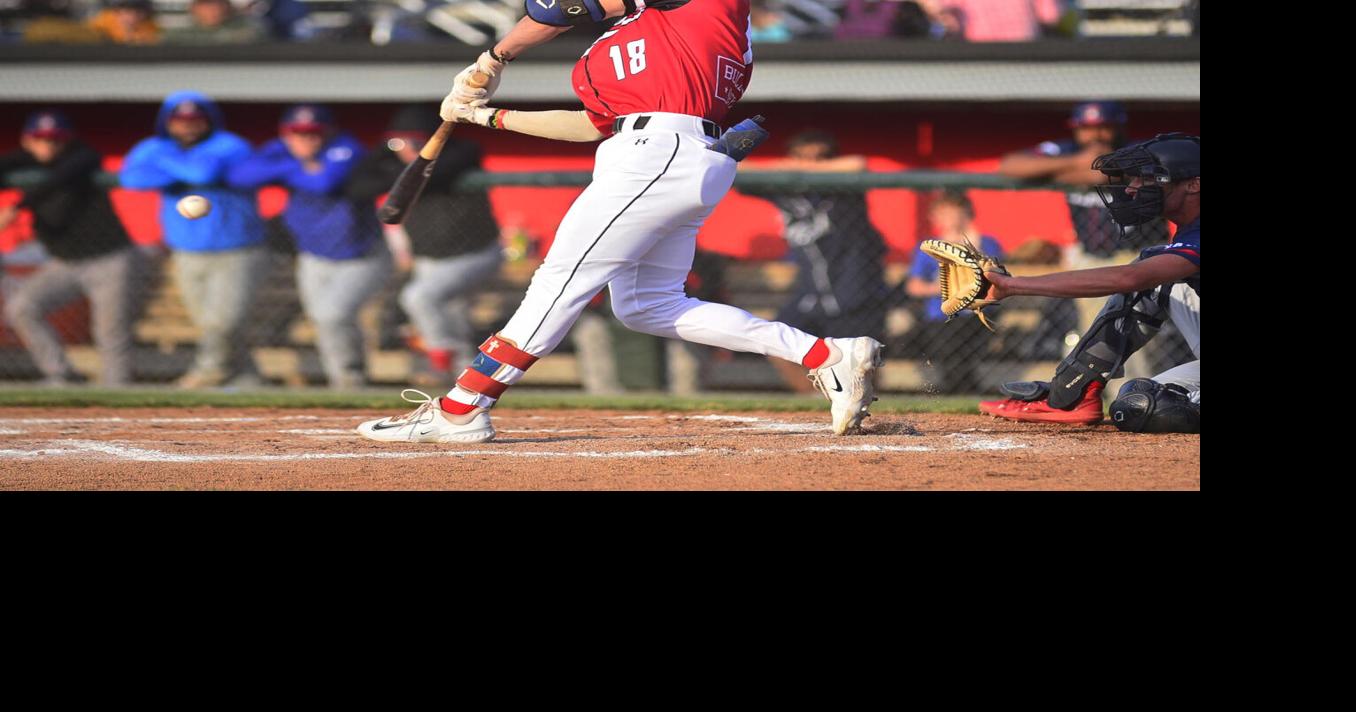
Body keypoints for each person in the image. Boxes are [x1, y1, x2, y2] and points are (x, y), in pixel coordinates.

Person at [356, 0, 884, 443]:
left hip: (661, 152)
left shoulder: (695, 7)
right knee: (648, 306)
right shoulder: (638, 36)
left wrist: (494, 56)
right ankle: (826, 354)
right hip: (652, 152)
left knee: (559, 282)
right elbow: (591, 125)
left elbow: (554, 8)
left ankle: (462, 407)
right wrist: (484, 115)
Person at [977, 133, 1199, 432]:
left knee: (1145, 410)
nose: (1133, 189)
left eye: (1148, 179)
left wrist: (1013, 286)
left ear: (1194, 184)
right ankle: (1072, 395)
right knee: (1137, 399)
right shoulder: (1187, 232)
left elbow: (1128, 278)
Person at [997, 100, 1172, 382]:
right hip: (1091, 256)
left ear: (1117, 127)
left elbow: (1103, 172)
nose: (1096, 136)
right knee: (1097, 331)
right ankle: (1096, 395)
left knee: (1138, 336)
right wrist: (1074, 164)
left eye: (1103, 127)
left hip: (1139, 256)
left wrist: (1063, 173)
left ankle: (1139, 396)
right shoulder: (1067, 151)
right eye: (1088, 129)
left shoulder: (1139, 149)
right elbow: (1009, 166)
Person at [228, 104, 388, 389]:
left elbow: (323, 181)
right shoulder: (283, 151)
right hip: (313, 256)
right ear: (286, 133)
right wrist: (295, 166)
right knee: (325, 319)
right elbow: (240, 175)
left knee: (332, 315)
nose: (306, 139)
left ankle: (349, 380)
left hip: (362, 256)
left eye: (314, 132)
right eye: (298, 133)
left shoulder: (345, 148)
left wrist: (282, 171)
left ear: (328, 131)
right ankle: (347, 378)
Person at [345, 104, 504, 387]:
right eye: (398, 143)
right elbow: (358, 185)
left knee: (419, 297)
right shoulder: (394, 160)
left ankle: (440, 361)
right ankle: (468, 384)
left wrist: (408, 161)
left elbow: (435, 170)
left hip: (475, 253)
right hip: (429, 259)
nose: (406, 149)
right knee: (452, 317)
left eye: (416, 142)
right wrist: (392, 153)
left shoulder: (460, 153)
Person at [119, 91, 267, 388]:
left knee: (223, 323)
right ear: (167, 122)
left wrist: (165, 163)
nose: (188, 125)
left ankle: (206, 374)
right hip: (186, 252)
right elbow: (131, 178)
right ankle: (248, 378)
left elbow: (202, 172)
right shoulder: (157, 146)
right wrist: (175, 164)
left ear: (209, 120)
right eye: (180, 119)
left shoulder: (229, 145)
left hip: (237, 250)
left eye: (196, 119)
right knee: (209, 325)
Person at [0, 110, 142, 386]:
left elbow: (62, 177)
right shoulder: (24, 161)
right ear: (27, 141)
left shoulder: (83, 157)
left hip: (109, 259)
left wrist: (18, 207)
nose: (48, 145)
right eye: (40, 139)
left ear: (67, 140)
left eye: (55, 140)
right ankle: (62, 373)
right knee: (22, 307)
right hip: (64, 262)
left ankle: (117, 392)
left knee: (110, 333)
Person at [741, 129, 888, 392]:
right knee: (775, 343)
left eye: (821, 157)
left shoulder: (843, 189)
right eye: (802, 157)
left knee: (862, 363)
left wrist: (810, 168)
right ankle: (815, 403)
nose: (810, 164)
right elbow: (738, 168)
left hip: (853, 292)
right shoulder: (785, 191)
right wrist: (790, 168)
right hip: (809, 294)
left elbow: (858, 163)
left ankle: (867, 405)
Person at [903, 189, 1002, 392]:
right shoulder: (929, 247)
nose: (949, 219)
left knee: (968, 350)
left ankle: (965, 389)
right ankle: (958, 390)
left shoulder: (986, 243)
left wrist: (973, 241)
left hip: (975, 314)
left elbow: (992, 271)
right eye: (943, 214)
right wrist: (941, 287)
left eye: (955, 213)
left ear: (967, 214)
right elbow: (913, 286)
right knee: (948, 351)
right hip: (942, 315)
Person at [161, 0, 267, 44]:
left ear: (226, 6)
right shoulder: (179, 34)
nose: (213, 10)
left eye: (217, 4)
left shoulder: (248, 29)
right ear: (194, 8)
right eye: (206, 5)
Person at [87, 0, 160, 44]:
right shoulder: (104, 21)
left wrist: (129, 34)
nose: (132, 16)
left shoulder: (148, 27)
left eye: (139, 12)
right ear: (117, 12)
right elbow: (86, 36)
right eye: (128, 11)